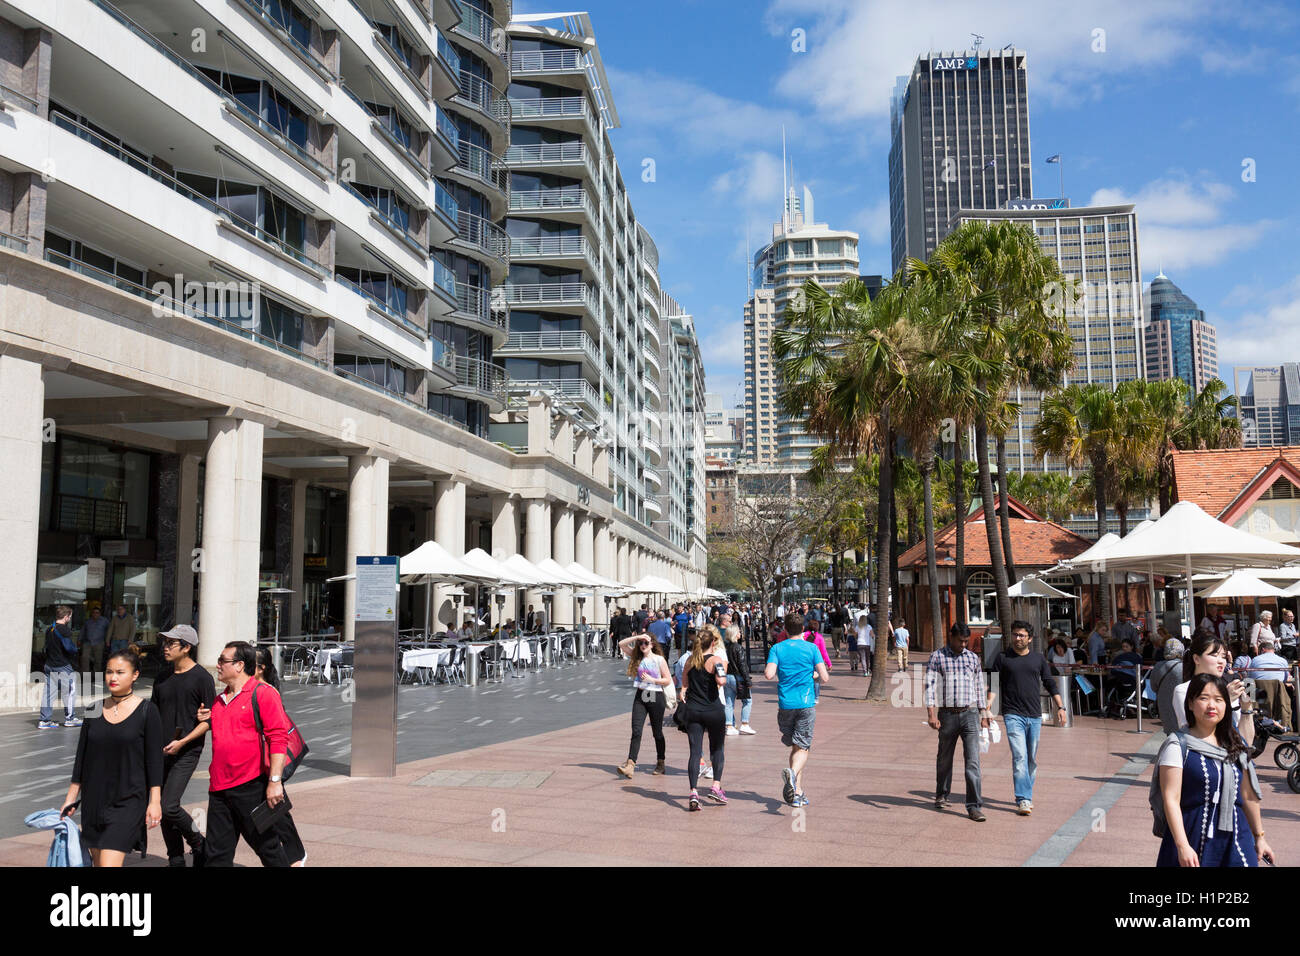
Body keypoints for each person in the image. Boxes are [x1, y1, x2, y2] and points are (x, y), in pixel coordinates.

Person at [1155, 674, 1275, 867]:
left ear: (1226, 706)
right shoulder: (1178, 744)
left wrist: (1260, 837)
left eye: (1219, 700)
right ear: (1191, 704)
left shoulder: (1236, 743)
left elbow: (1248, 795)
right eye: (1204, 698)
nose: (1212, 705)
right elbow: (1171, 799)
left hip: (1237, 835)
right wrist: (1182, 845)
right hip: (1192, 832)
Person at [59, 649, 162, 866]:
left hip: (129, 799)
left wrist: (155, 801)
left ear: (135, 675)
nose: (113, 678)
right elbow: (81, 757)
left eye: (120, 672)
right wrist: (71, 797)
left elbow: (154, 762)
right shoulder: (93, 709)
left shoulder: (147, 711)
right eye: (109, 672)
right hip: (93, 800)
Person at [199, 642, 291, 867]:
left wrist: (275, 782)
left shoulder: (263, 694)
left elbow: (278, 738)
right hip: (219, 790)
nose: (218, 665)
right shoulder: (219, 700)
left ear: (240, 665)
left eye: (223, 661)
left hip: (252, 787)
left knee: (268, 849)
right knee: (216, 856)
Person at [990, 621, 1067, 815]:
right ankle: (1023, 799)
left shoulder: (1038, 659)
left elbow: (1049, 682)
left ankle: (1027, 793)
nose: (1018, 638)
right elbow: (993, 683)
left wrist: (1061, 707)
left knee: (1031, 758)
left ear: (1030, 639)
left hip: (1034, 716)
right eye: (1015, 635)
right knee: (1020, 757)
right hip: (1012, 714)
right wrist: (987, 705)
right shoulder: (1002, 658)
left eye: (1022, 635)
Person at [152, 625, 213, 867]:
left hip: (187, 751)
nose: (165, 648)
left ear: (186, 648)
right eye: (165, 642)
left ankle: (198, 841)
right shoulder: (162, 677)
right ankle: (175, 857)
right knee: (163, 806)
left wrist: (183, 742)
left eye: (171, 643)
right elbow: (153, 715)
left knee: (168, 805)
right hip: (161, 751)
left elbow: (209, 721)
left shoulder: (202, 678)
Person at [925, 622, 992, 822]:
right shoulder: (938, 657)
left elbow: (979, 686)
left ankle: (974, 806)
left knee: (973, 761)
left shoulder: (972, 658)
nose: (963, 644)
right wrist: (931, 714)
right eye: (960, 640)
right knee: (944, 758)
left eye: (966, 641)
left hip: (970, 714)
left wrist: (984, 713)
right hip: (947, 714)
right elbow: (930, 686)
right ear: (951, 636)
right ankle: (942, 794)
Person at [764, 612, 829, 808]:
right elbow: (825, 677)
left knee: (796, 746)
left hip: (785, 704)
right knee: (803, 746)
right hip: (806, 702)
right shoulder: (811, 648)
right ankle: (792, 775)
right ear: (803, 629)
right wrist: (814, 674)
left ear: (785, 629)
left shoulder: (777, 648)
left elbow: (768, 674)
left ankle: (797, 793)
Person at [254, 646, 307, 866]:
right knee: (274, 807)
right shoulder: (255, 687)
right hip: (258, 760)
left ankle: (295, 853)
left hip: (267, 760)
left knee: (275, 807)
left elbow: (275, 733)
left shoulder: (265, 691)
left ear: (261, 668)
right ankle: (292, 853)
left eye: (249, 663)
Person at [1172, 632, 1256, 751]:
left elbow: (1245, 742)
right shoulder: (1183, 690)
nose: (1221, 661)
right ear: (1196, 659)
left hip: (1234, 759)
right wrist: (1227, 700)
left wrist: (1247, 708)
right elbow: (1194, 734)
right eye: (1214, 655)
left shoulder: (1229, 688)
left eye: (1223, 656)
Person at [679, 626, 729, 810]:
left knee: (695, 752)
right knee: (717, 749)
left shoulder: (690, 660)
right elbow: (721, 681)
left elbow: (683, 684)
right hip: (713, 710)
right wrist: (721, 670)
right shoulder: (716, 660)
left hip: (693, 710)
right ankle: (716, 786)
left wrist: (684, 693)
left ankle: (693, 791)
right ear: (713, 643)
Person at [616, 632, 672, 777]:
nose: (642, 646)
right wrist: (637, 637)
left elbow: (667, 680)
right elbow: (621, 644)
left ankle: (661, 762)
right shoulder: (637, 657)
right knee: (636, 730)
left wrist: (653, 680)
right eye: (641, 644)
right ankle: (630, 764)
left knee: (657, 732)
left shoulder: (659, 660)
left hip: (654, 695)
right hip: (641, 695)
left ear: (652, 644)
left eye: (646, 643)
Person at [39, 605, 81, 730]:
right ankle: (70, 718)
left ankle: (44, 720)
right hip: (62, 665)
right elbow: (69, 648)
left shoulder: (49, 629)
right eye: (70, 616)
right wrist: (75, 651)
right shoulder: (64, 630)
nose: (70, 619)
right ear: (66, 617)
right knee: (69, 692)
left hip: (49, 665)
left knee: (48, 694)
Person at [1250, 637, 1294, 730]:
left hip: (1259, 695)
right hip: (1278, 694)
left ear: (1262, 650)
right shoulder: (1282, 661)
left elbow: (1250, 677)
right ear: (1273, 650)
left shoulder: (1255, 660)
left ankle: (1250, 716)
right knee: (1288, 690)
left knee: (1248, 685)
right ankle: (1284, 722)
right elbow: (1286, 679)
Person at [720, 614, 754, 735]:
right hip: (738, 677)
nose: (740, 633)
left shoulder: (725, 647)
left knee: (729, 703)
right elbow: (742, 665)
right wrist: (748, 681)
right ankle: (744, 723)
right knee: (747, 701)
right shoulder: (738, 648)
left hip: (727, 677)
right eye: (739, 632)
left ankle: (729, 726)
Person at [1152, 638, 1187, 734]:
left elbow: (1153, 687)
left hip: (1164, 704)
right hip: (1181, 705)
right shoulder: (1184, 667)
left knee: (1170, 734)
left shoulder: (1158, 666)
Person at [80, 605, 109, 676]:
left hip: (99, 642)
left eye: (97, 612)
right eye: (94, 612)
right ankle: (85, 675)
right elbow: (83, 631)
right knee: (85, 658)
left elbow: (109, 631)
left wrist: (107, 640)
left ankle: (97, 675)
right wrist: (79, 639)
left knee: (98, 660)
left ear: (100, 613)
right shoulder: (88, 621)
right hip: (87, 642)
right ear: (92, 613)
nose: (95, 614)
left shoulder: (105, 621)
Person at [853, 612, 874, 676]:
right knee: (867, 658)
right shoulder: (869, 627)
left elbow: (855, 635)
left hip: (860, 644)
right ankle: (867, 670)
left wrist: (857, 637)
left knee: (862, 658)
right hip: (867, 644)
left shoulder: (857, 627)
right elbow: (872, 635)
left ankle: (865, 671)